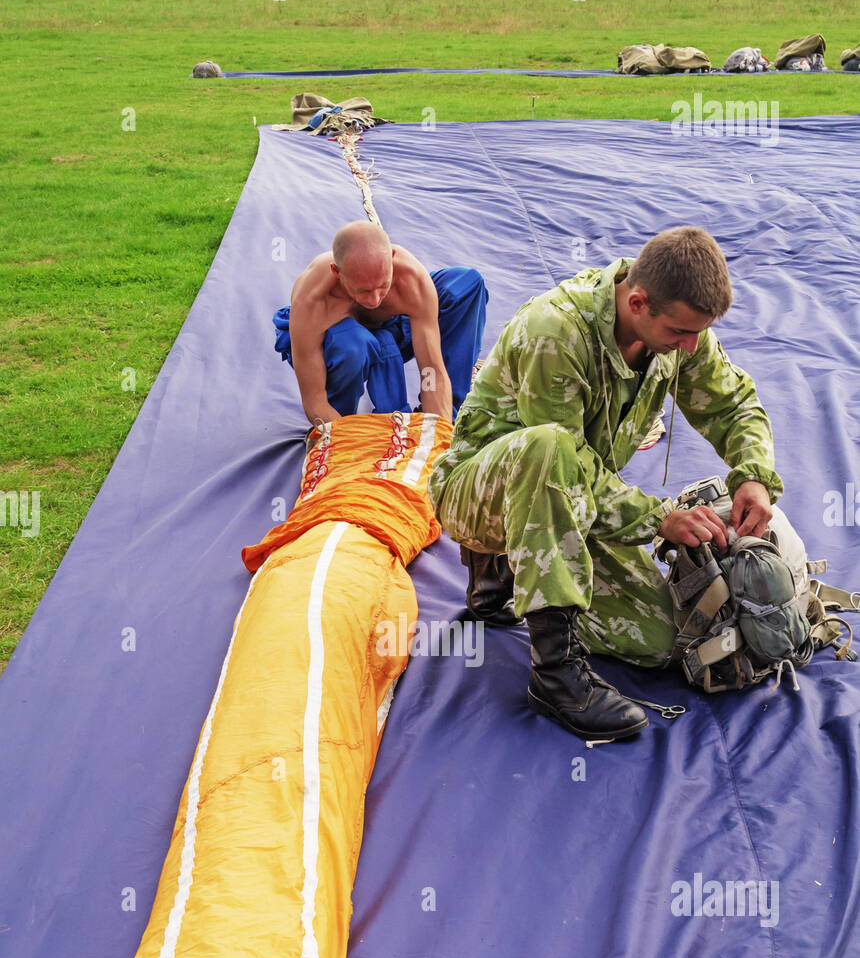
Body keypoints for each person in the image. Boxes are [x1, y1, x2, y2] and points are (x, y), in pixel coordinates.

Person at [427, 226, 784, 743]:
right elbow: (565, 458)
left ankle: (509, 569)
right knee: (548, 448)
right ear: (637, 302)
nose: (690, 347)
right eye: (681, 333)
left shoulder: (679, 329)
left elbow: (732, 404)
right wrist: (660, 517)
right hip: (481, 495)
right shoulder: (556, 331)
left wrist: (753, 475)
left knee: (662, 640)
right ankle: (554, 675)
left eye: (697, 335)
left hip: (569, 501)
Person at [273, 220, 488, 427]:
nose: (375, 300)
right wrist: (349, 441)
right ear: (337, 272)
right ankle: (340, 423)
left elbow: (431, 371)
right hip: (342, 345)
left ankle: (445, 418)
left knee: (466, 284)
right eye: (363, 291)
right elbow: (315, 402)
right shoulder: (312, 301)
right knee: (352, 344)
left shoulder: (412, 280)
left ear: (392, 259)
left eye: (383, 285)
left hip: (391, 328)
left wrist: (436, 434)